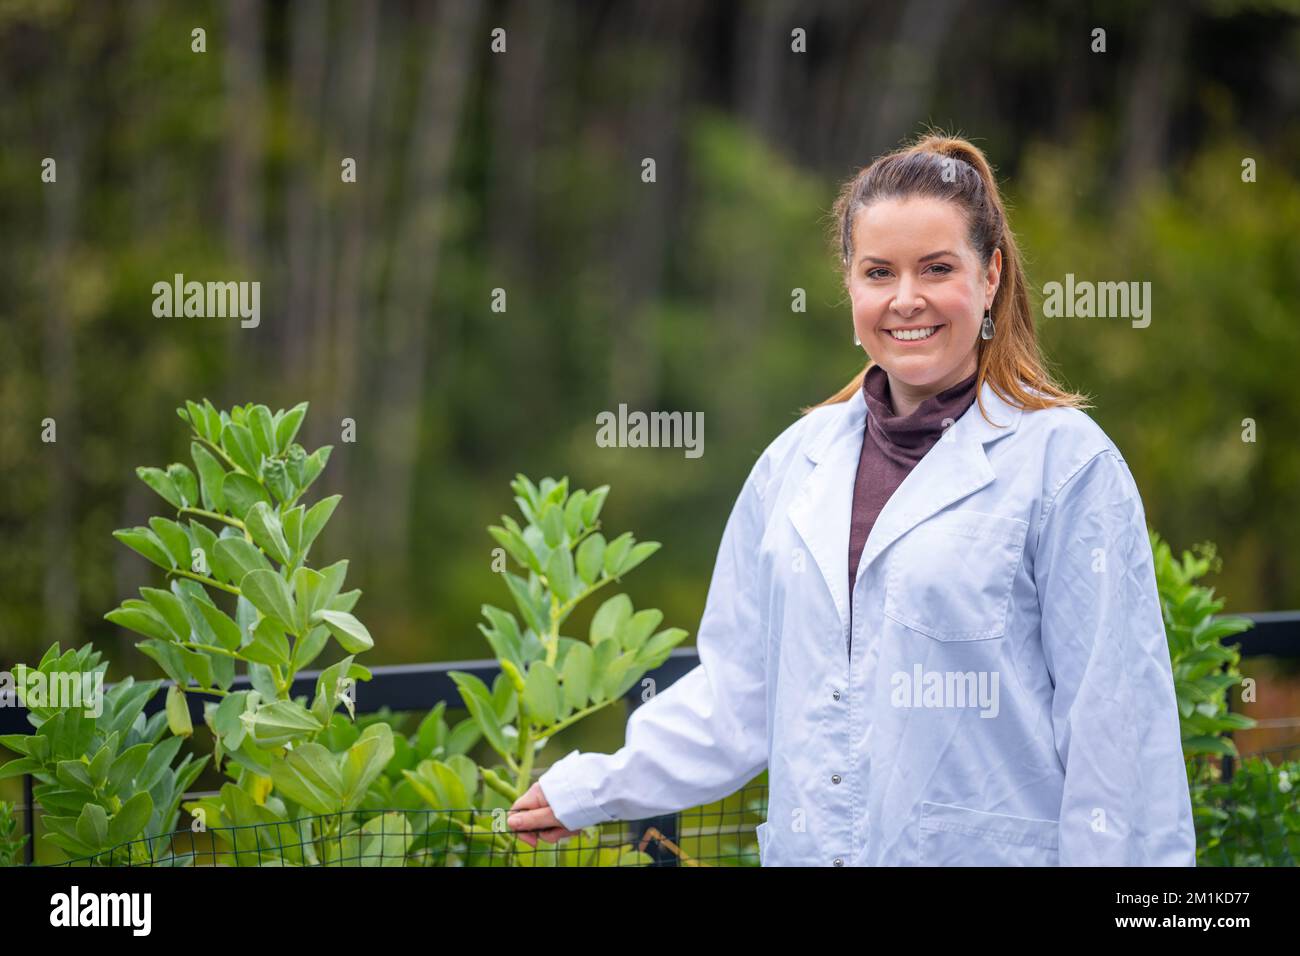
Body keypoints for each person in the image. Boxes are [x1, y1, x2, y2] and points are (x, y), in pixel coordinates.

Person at [505, 131, 1197, 866]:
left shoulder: (1065, 463)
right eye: (879, 272)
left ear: (990, 276)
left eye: (937, 268)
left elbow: (1116, 729)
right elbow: (739, 695)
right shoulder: (793, 465)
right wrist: (596, 787)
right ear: (849, 284)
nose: (907, 300)